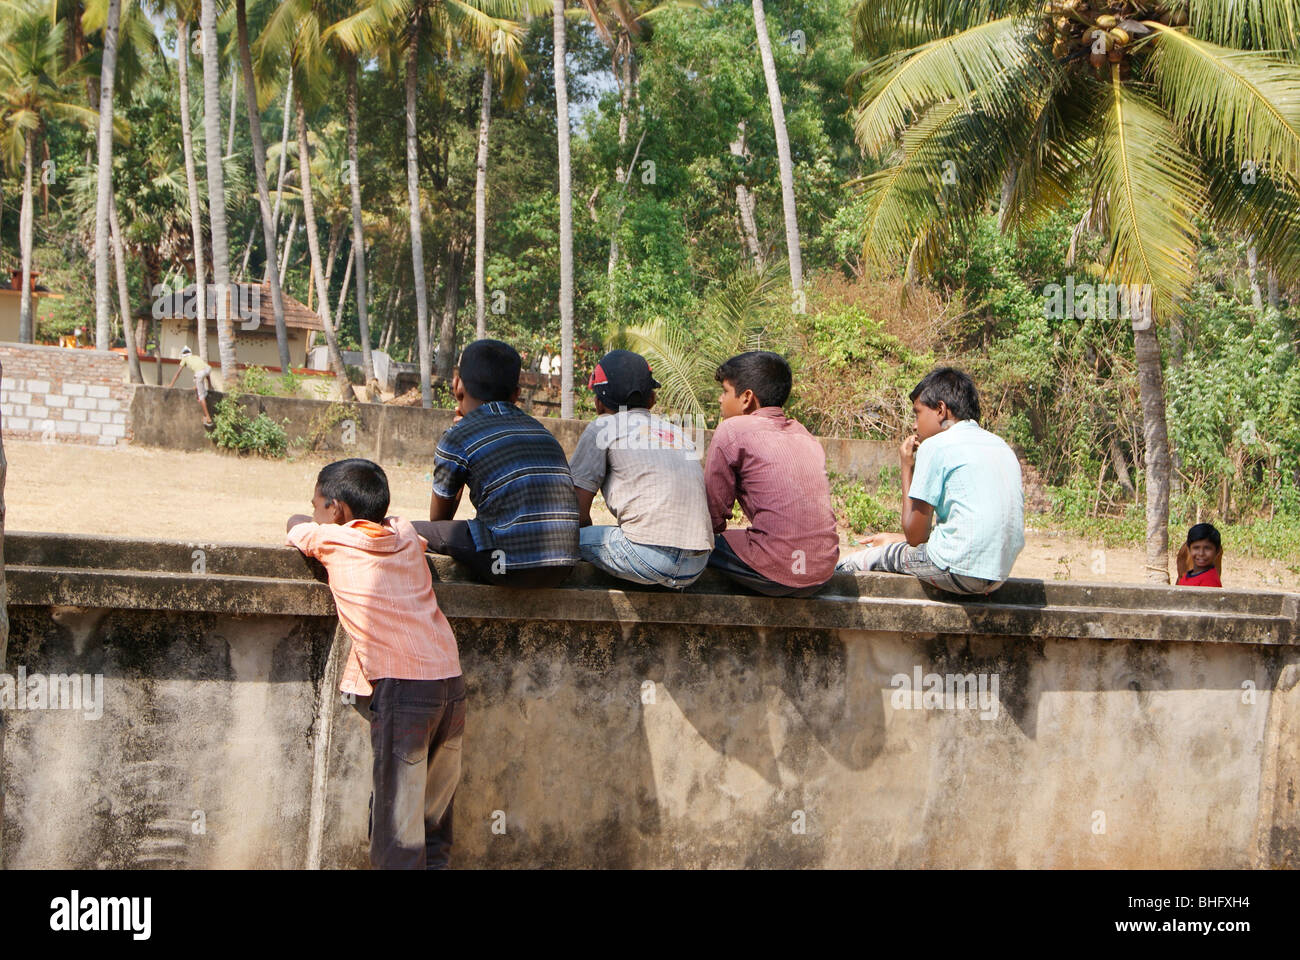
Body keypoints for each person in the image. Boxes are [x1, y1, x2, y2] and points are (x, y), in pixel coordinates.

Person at [286, 458, 465, 870]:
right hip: (449, 682)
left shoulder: (333, 541)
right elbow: (414, 534)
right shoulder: (402, 532)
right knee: (433, 820)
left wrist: (314, 521)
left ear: (337, 511)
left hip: (405, 692)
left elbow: (296, 525)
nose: (314, 512)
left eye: (318, 505)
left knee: (398, 833)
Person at [837, 367, 1024, 595]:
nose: (915, 425)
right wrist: (896, 539)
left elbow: (915, 538)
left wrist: (907, 466)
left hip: (956, 570)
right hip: (997, 576)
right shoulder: (1001, 446)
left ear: (940, 410)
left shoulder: (936, 446)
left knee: (858, 562)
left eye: (917, 413)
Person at [424, 339, 580, 586]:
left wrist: (459, 444)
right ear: (516, 394)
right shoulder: (541, 431)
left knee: (410, 531)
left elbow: (439, 519)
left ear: (457, 384)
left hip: (507, 566)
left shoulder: (457, 436)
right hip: (563, 567)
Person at [569, 350, 713, 588]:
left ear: (598, 402)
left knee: (563, 537)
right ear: (651, 400)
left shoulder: (602, 427)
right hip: (696, 565)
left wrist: (582, 543)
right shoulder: (677, 433)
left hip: (647, 559)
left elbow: (577, 510)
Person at [703, 351, 839, 597]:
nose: (721, 400)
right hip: (822, 571)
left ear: (746, 398)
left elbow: (713, 519)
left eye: (724, 391)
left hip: (777, 571)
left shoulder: (731, 430)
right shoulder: (803, 433)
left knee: (692, 543)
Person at [166, 345, 214, 427]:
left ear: (182, 355)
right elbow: (205, 371)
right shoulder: (195, 357)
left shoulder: (184, 359)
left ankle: (208, 418)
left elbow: (178, 373)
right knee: (197, 378)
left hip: (199, 373)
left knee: (201, 396)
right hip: (208, 369)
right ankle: (203, 386)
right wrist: (209, 384)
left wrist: (171, 385)